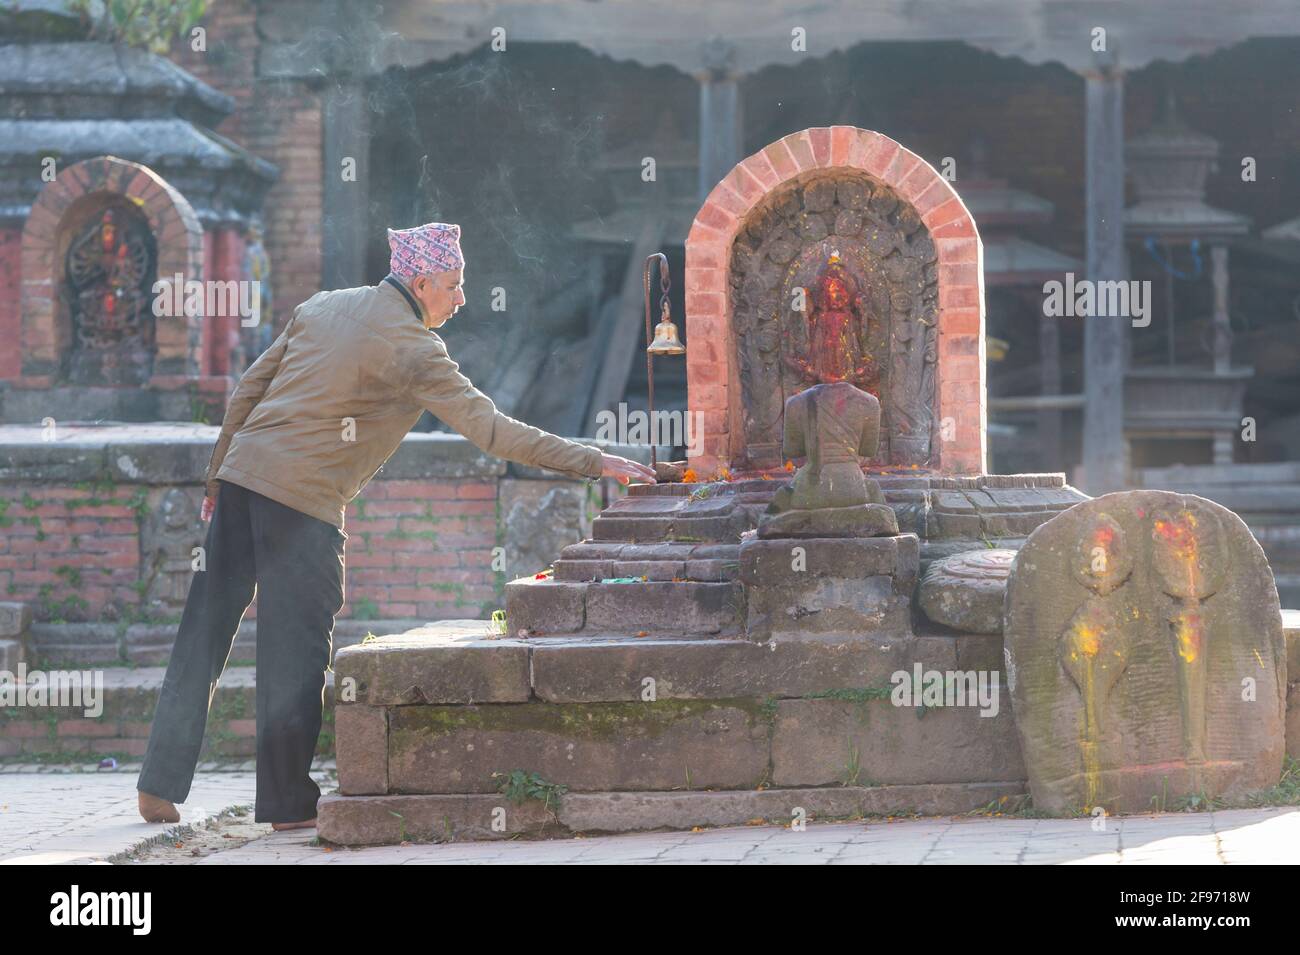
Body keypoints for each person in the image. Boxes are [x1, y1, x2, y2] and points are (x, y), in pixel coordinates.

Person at [136, 221, 655, 829]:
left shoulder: (323, 306)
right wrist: (597, 461)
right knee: (294, 653)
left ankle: (158, 785)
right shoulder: (416, 350)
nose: (462, 299)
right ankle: (286, 806)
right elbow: (492, 431)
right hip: (302, 506)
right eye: (456, 285)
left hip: (244, 483)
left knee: (204, 630)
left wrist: (218, 478)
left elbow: (250, 387)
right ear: (423, 280)